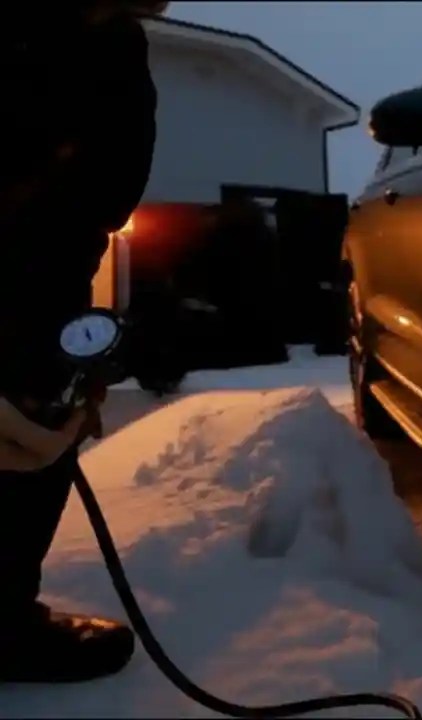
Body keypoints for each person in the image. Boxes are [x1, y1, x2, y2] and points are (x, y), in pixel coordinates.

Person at [0, 0, 164, 683]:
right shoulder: (96, 41)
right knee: (31, 438)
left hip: (39, 275)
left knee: (34, 432)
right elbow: (111, 183)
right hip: (33, 276)